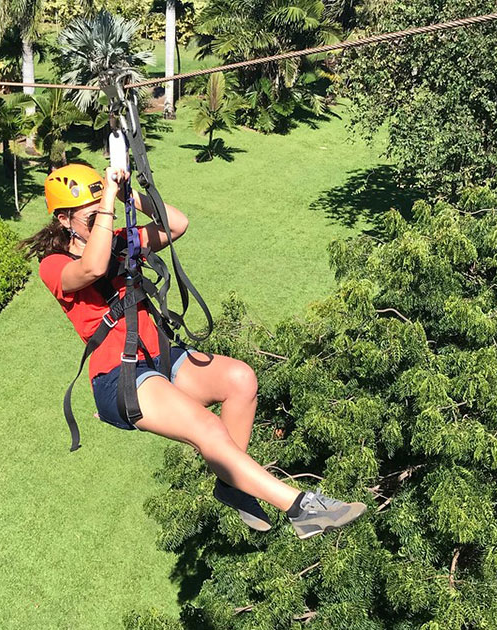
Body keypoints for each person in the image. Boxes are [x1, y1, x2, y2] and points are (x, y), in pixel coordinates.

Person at [19, 163, 367, 539]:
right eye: (92, 215)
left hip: (160, 359)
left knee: (241, 379)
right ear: (64, 219)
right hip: (120, 377)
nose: (104, 217)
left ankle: (232, 485)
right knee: (206, 427)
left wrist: (125, 194)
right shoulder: (53, 266)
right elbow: (92, 268)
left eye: (106, 209)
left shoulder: (120, 238)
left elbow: (177, 224)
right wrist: (107, 202)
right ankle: (301, 508)